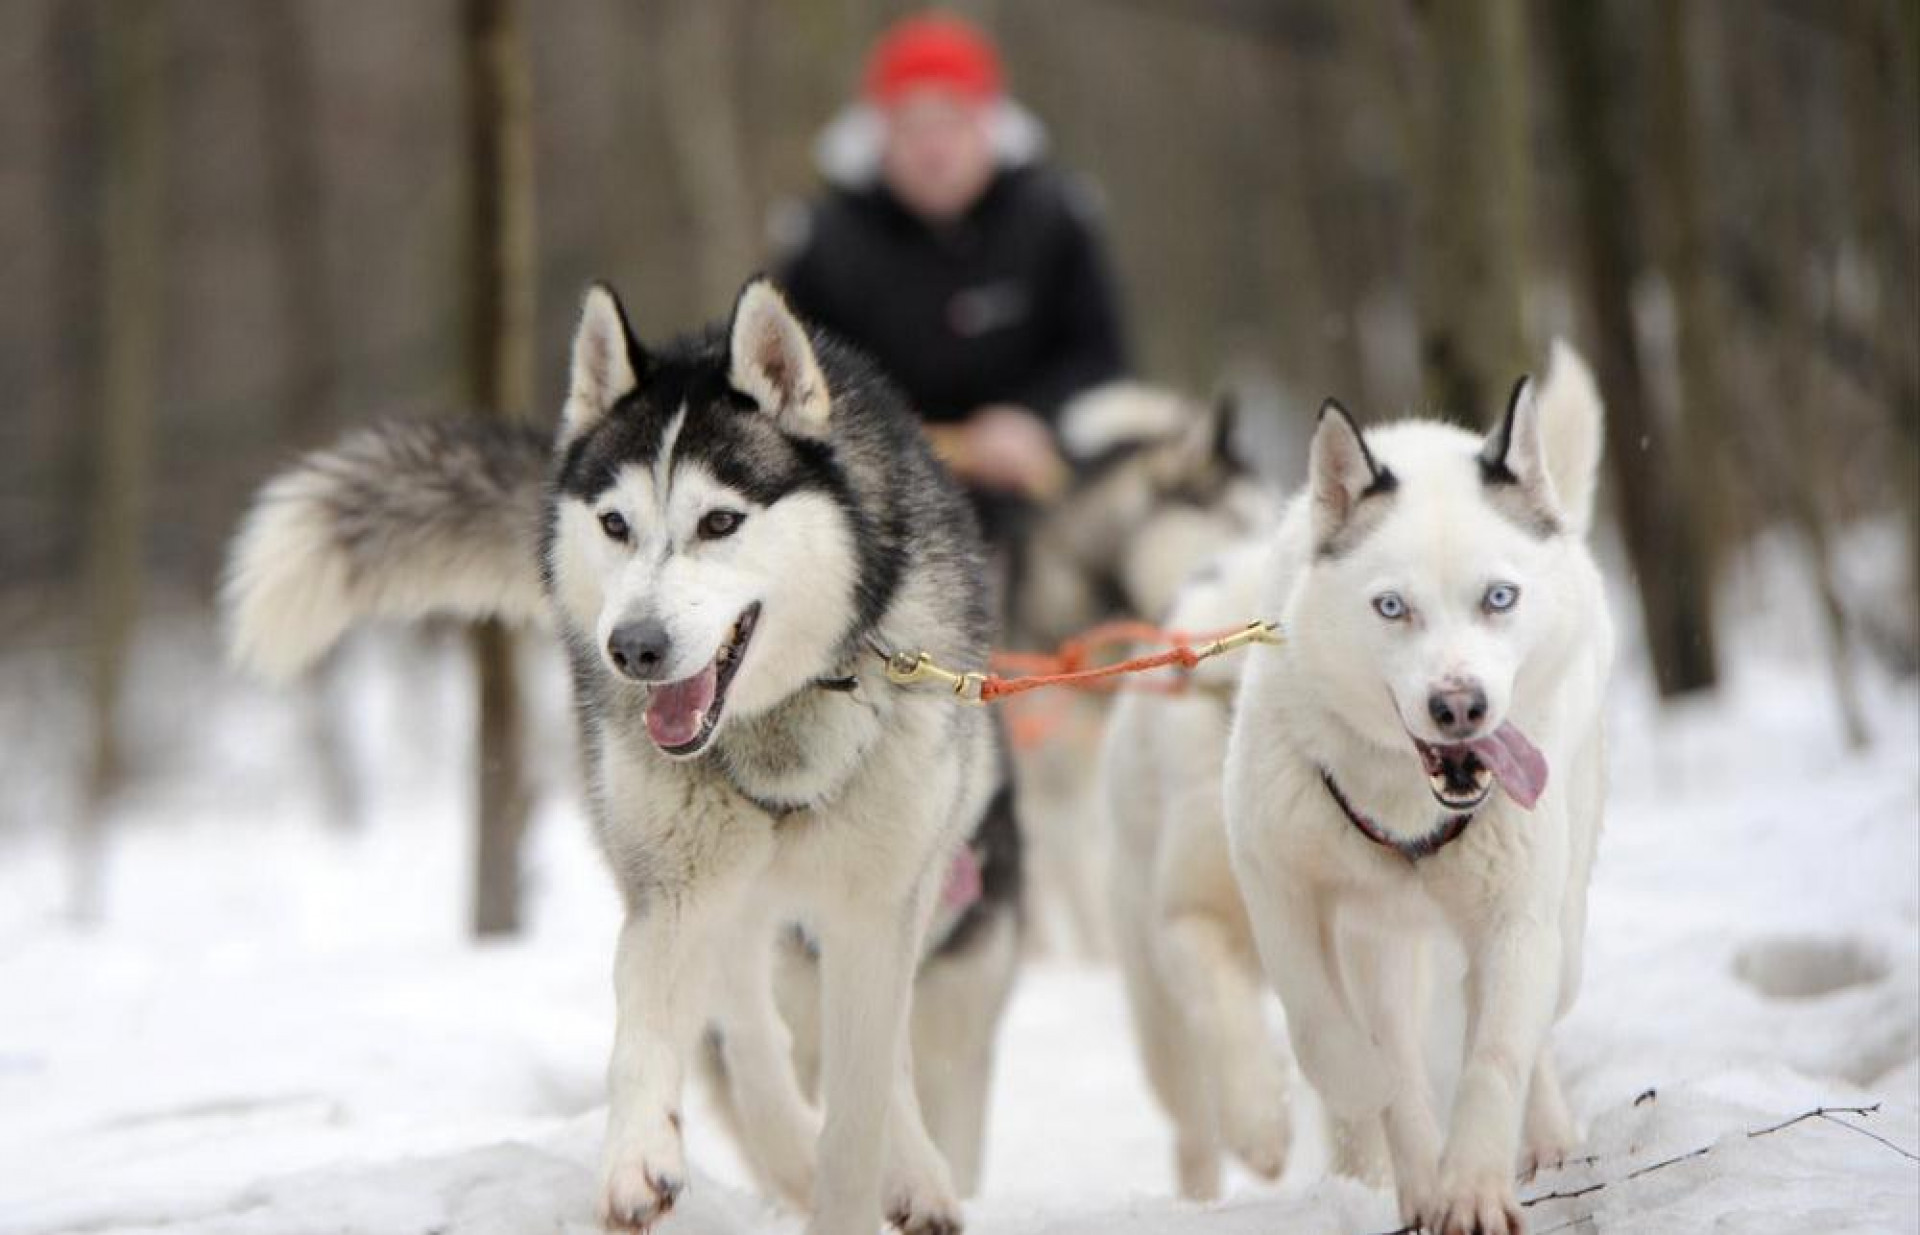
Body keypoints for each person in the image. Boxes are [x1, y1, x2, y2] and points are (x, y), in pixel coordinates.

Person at [778, 11, 1129, 549]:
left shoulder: (1056, 218)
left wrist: (1035, 422)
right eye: (913, 125)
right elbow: (798, 387)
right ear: (879, 133)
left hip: (1045, 504)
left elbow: (1100, 360)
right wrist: (925, 443)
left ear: (989, 123)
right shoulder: (823, 243)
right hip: (886, 519)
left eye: (952, 120)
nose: (934, 148)